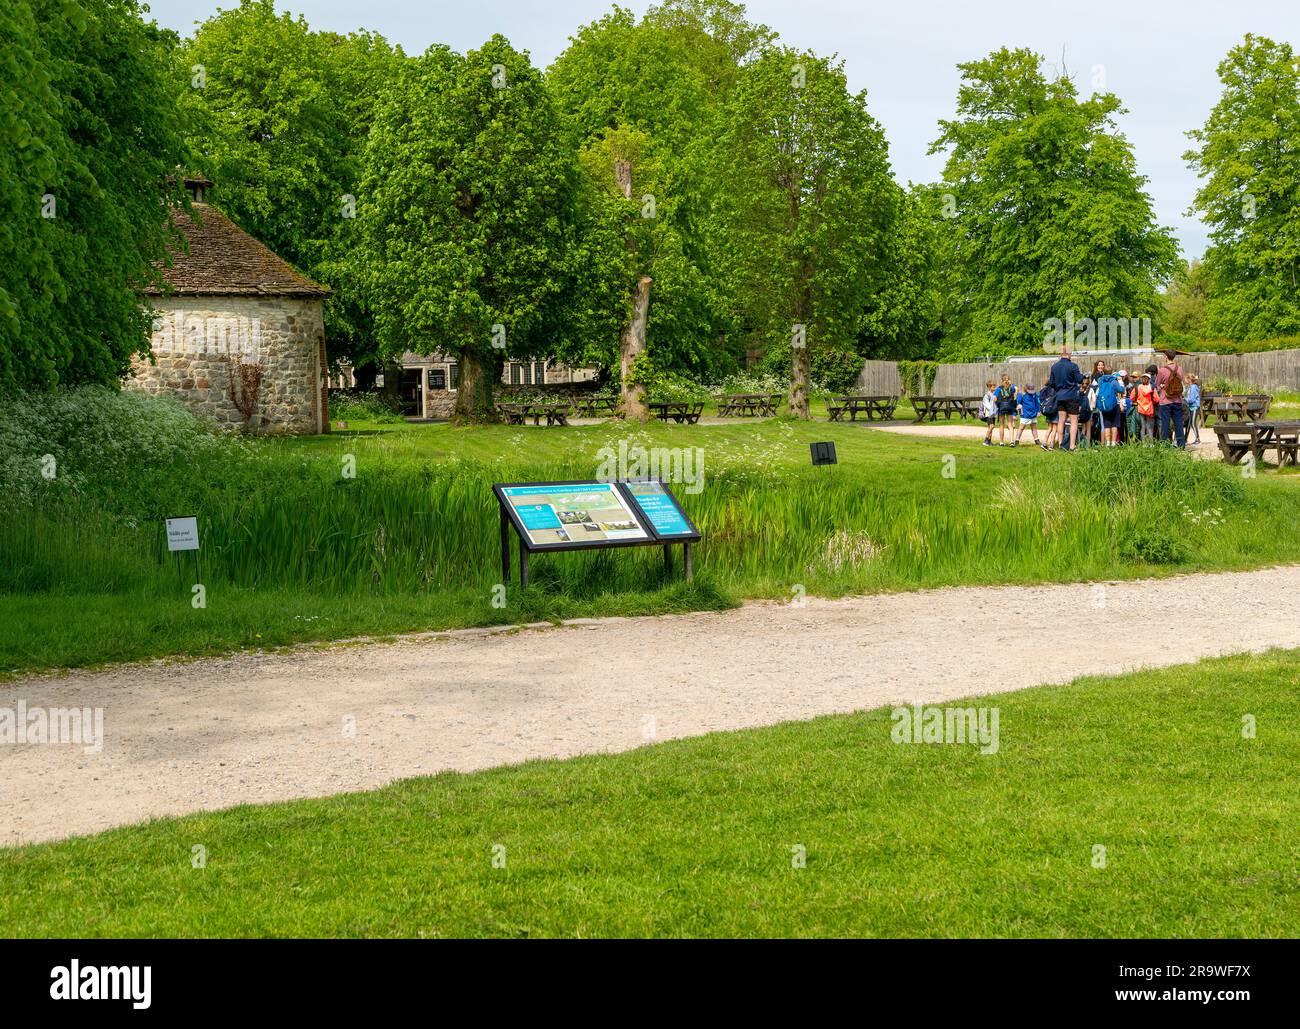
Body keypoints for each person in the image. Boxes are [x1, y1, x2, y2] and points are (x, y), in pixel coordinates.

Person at [1047, 347, 1084, 451]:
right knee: (1074, 421)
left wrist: (1059, 390)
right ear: (1069, 354)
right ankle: (1072, 446)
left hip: (1060, 396)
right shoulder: (1073, 366)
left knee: (1061, 421)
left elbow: (1051, 383)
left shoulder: (1054, 367)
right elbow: (1080, 380)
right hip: (1071, 396)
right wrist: (1081, 375)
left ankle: (1060, 444)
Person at [1155, 349, 1187, 448]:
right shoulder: (1180, 369)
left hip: (1165, 400)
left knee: (1165, 423)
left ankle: (1164, 445)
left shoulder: (1162, 370)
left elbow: (1157, 385)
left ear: (1166, 356)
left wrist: (1162, 386)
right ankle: (1181, 445)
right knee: (1178, 423)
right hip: (1177, 400)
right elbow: (1180, 382)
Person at [1095, 365, 1124, 447]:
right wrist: (1121, 382)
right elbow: (1121, 390)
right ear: (1111, 373)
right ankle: (1113, 442)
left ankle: (1107, 443)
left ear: (1103, 372)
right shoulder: (1114, 381)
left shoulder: (1100, 380)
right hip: (1115, 405)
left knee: (1106, 424)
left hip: (1104, 405)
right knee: (1114, 424)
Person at [1013, 381, 1046, 449]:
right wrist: (1018, 405)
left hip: (1033, 414)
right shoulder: (1022, 394)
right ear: (1026, 389)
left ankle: (1036, 440)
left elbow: (1037, 403)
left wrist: (1038, 411)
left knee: (1034, 427)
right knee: (1021, 427)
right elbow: (1018, 402)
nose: (1031, 392)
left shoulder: (1034, 395)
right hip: (1025, 414)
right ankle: (1017, 440)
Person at [995, 373, 1017, 445]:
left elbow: (994, 399)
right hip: (1010, 407)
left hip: (1002, 408)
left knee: (1001, 425)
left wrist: (997, 404)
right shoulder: (1012, 388)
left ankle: (1001, 442)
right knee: (1010, 424)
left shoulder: (999, 389)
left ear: (1002, 381)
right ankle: (1012, 441)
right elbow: (1016, 393)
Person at [1136, 373, 1156, 440]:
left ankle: (1144, 444)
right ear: (1149, 380)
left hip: (1141, 409)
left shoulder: (1138, 387)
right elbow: (1156, 399)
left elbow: (1132, 397)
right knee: (1149, 426)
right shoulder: (1152, 387)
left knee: (1143, 426)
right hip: (1149, 409)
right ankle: (1150, 443)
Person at [1077, 376, 1093, 449]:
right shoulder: (1091, 390)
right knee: (1087, 428)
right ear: (1089, 384)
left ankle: (1078, 443)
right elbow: (1094, 402)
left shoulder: (1077, 391)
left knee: (1080, 428)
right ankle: (1087, 445)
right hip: (1087, 413)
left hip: (1078, 413)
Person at [980, 379, 998, 446]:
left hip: (993, 414)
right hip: (989, 414)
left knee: (990, 428)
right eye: (993, 387)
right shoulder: (987, 395)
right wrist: (991, 410)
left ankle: (989, 441)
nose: (995, 388)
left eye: (995, 386)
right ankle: (985, 440)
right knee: (992, 426)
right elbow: (986, 404)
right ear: (989, 387)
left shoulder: (994, 395)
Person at [1186, 374, 1202, 444]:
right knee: (1189, 424)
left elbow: (1191, 399)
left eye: (1186, 379)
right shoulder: (1191, 387)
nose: (1185, 380)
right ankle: (1185, 439)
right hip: (1191, 407)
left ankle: (1198, 439)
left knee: (1193, 423)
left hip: (1194, 407)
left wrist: (1185, 400)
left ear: (1189, 380)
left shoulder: (1193, 387)